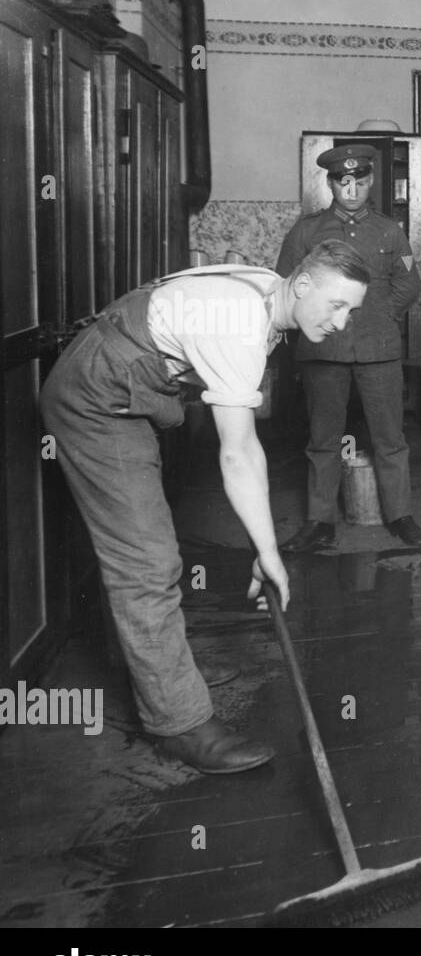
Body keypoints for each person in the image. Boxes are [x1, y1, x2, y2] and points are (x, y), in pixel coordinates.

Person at [40, 241, 370, 774]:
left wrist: (263, 547)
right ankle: (179, 723)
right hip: (96, 399)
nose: (342, 322)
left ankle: (155, 671)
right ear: (303, 285)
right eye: (337, 305)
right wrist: (269, 554)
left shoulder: (270, 289)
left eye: (351, 310)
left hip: (129, 384)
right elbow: (239, 454)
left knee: (139, 546)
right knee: (147, 562)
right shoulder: (240, 322)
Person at [276, 143, 421, 552]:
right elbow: (285, 287)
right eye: (343, 182)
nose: (352, 189)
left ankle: (400, 516)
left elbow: (409, 284)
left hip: (378, 350)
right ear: (330, 183)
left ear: (370, 182)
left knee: (390, 437)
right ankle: (319, 522)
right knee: (323, 440)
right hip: (323, 351)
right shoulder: (306, 232)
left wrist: (378, 315)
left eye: (359, 181)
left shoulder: (389, 231)